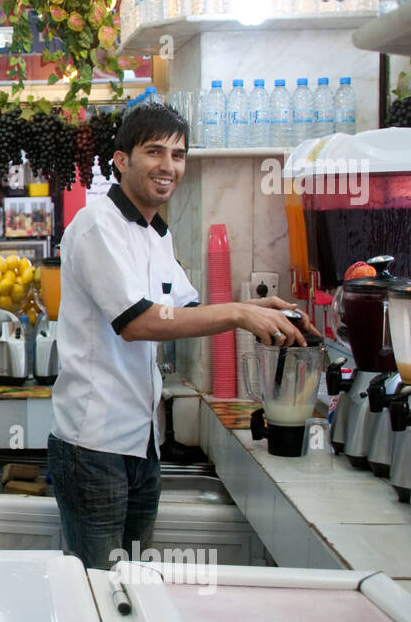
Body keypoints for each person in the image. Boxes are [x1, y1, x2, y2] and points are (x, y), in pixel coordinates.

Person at [48, 104, 312, 571]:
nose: (169, 166)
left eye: (179, 154)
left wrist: (255, 309)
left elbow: (186, 312)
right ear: (122, 160)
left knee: (131, 584)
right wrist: (237, 313)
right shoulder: (95, 226)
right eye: (154, 151)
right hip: (93, 444)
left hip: (142, 439)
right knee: (98, 590)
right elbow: (138, 323)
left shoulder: (156, 234)